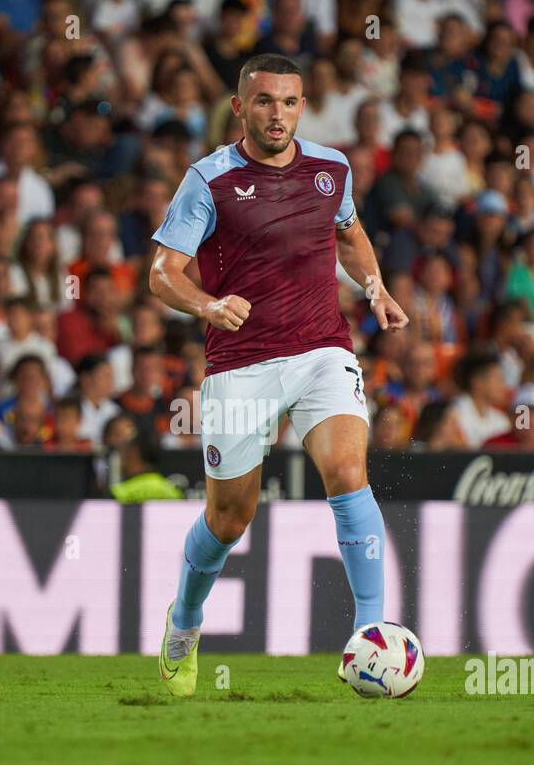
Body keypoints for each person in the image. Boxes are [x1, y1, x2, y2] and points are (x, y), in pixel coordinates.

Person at [148, 53, 408, 696]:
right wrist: (207, 304)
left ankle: (369, 637)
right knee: (229, 519)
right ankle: (184, 624)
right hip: (241, 364)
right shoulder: (208, 180)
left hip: (323, 349)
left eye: (289, 102)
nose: (277, 114)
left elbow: (349, 236)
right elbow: (161, 272)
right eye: (264, 101)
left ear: (302, 105)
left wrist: (375, 288)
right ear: (240, 107)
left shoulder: (332, 168)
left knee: (349, 473)